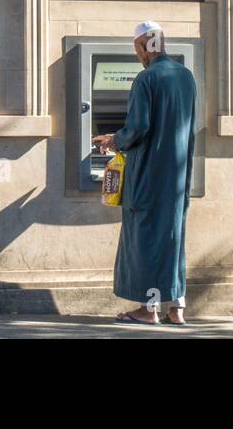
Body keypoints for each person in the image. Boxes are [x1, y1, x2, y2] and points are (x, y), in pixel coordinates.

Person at [92, 21, 197, 326]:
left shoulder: (146, 78)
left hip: (149, 176)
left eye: (137, 48)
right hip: (177, 175)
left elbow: (138, 128)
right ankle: (177, 309)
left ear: (142, 46)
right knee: (172, 238)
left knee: (148, 239)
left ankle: (148, 309)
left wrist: (114, 139)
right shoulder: (186, 76)